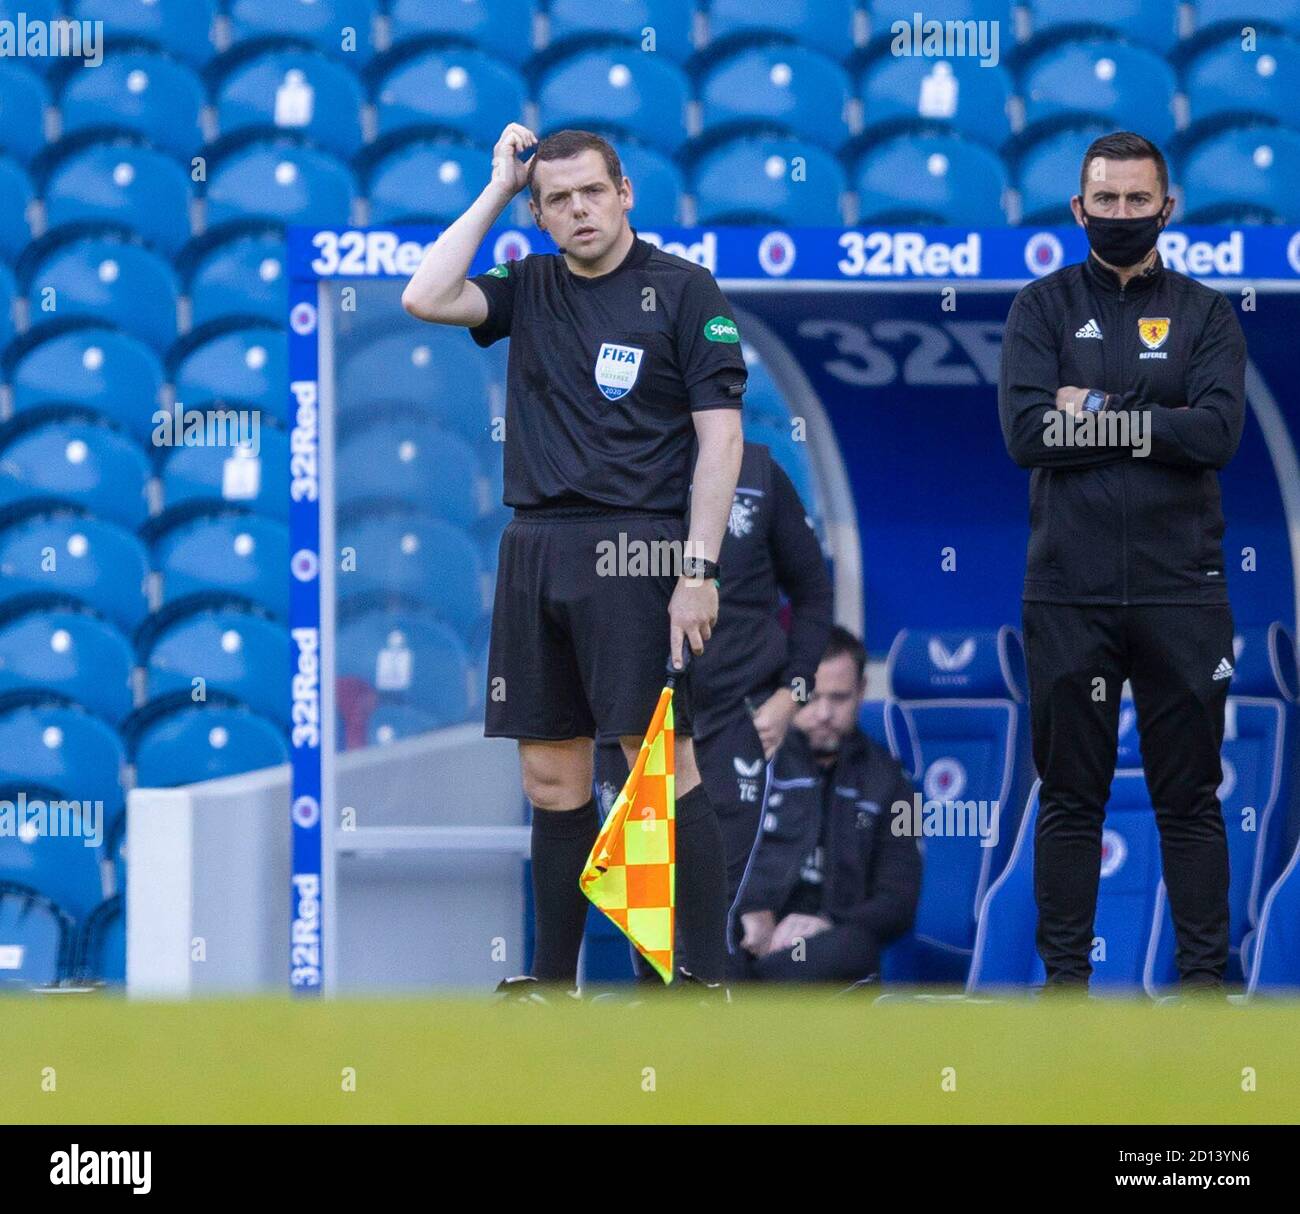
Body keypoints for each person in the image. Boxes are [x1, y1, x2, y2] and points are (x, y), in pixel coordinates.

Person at [401, 124, 747, 995]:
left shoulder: (682, 288)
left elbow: (721, 441)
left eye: (592, 191)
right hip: (536, 548)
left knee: (655, 766)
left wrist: (697, 572)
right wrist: (494, 191)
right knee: (550, 773)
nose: (578, 209)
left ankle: (693, 983)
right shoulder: (532, 283)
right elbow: (424, 296)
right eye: (557, 199)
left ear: (624, 191)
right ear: (541, 215)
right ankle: (554, 985)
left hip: (638, 545)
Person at [997, 130, 1247, 993]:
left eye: (1139, 201)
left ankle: (1205, 992)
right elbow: (1029, 435)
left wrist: (1096, 406)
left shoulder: (1207, 313)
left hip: (1185, 592)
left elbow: (1216, 435)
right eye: (1105, 200)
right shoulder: (1041, 308)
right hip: (1070, 594)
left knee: (1189, 801)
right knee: (1070, 798)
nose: (1122, 215)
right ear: (1078, 208)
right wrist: (1154, 417)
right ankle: (1066, 994)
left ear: (1167, 208)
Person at [595, 440, 834, 977]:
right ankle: (657, 1055)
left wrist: (790, 694)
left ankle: (703, 1039)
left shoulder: (758, 471)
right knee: (645, 914)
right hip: (633, 719)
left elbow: (814, 595)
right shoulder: (619, 457)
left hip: (732, 720)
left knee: (706, 912)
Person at [732, 627, 922, 983]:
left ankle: (744, 1002)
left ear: (862, 691)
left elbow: (900, 903)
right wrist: (750, 908)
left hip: (828, 946)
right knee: (705, 939)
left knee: (855, 948)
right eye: (811, 696)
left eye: (838, 698)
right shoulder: (750, 764)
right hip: (748, 936)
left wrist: (827, 923)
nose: (823, 713)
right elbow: (709, 861)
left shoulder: (894, 783)